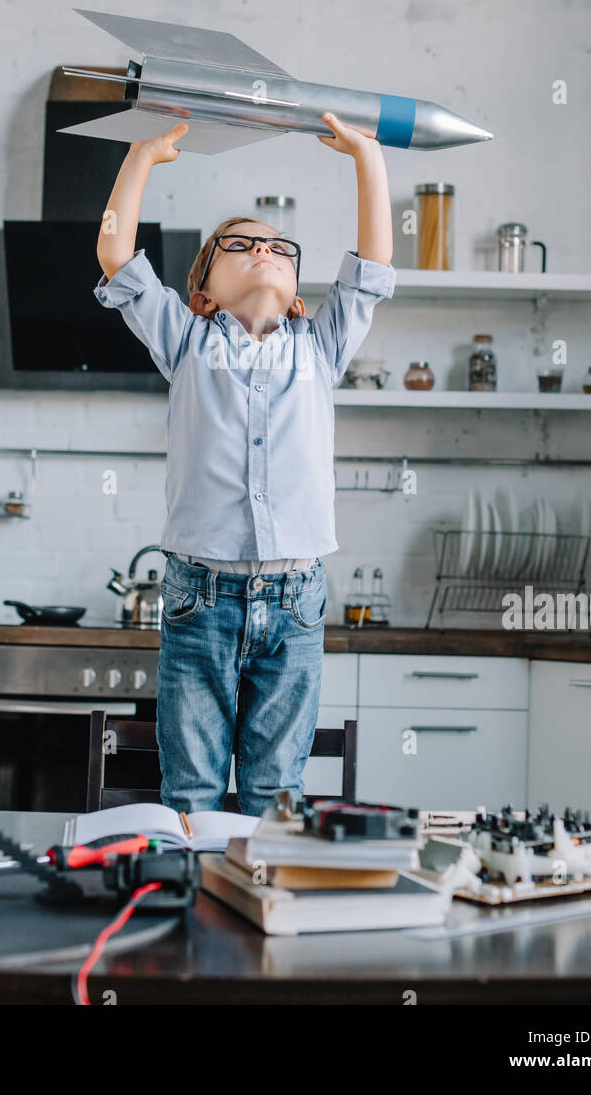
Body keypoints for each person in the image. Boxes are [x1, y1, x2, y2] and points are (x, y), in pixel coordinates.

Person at [94, 111, 395, 815]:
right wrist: (140, 157)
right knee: (191, 793)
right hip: (199, 598)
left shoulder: (319, 346)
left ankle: (255, 914)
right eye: (238, 244)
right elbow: (116, 257)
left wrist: (368, 160)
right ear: (202, 295)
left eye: (276, 246)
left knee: (273, 795)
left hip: (295, 601)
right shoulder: (186, 341)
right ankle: (186, 918)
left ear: (296, 295)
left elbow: (373, 270)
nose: (262, 248)